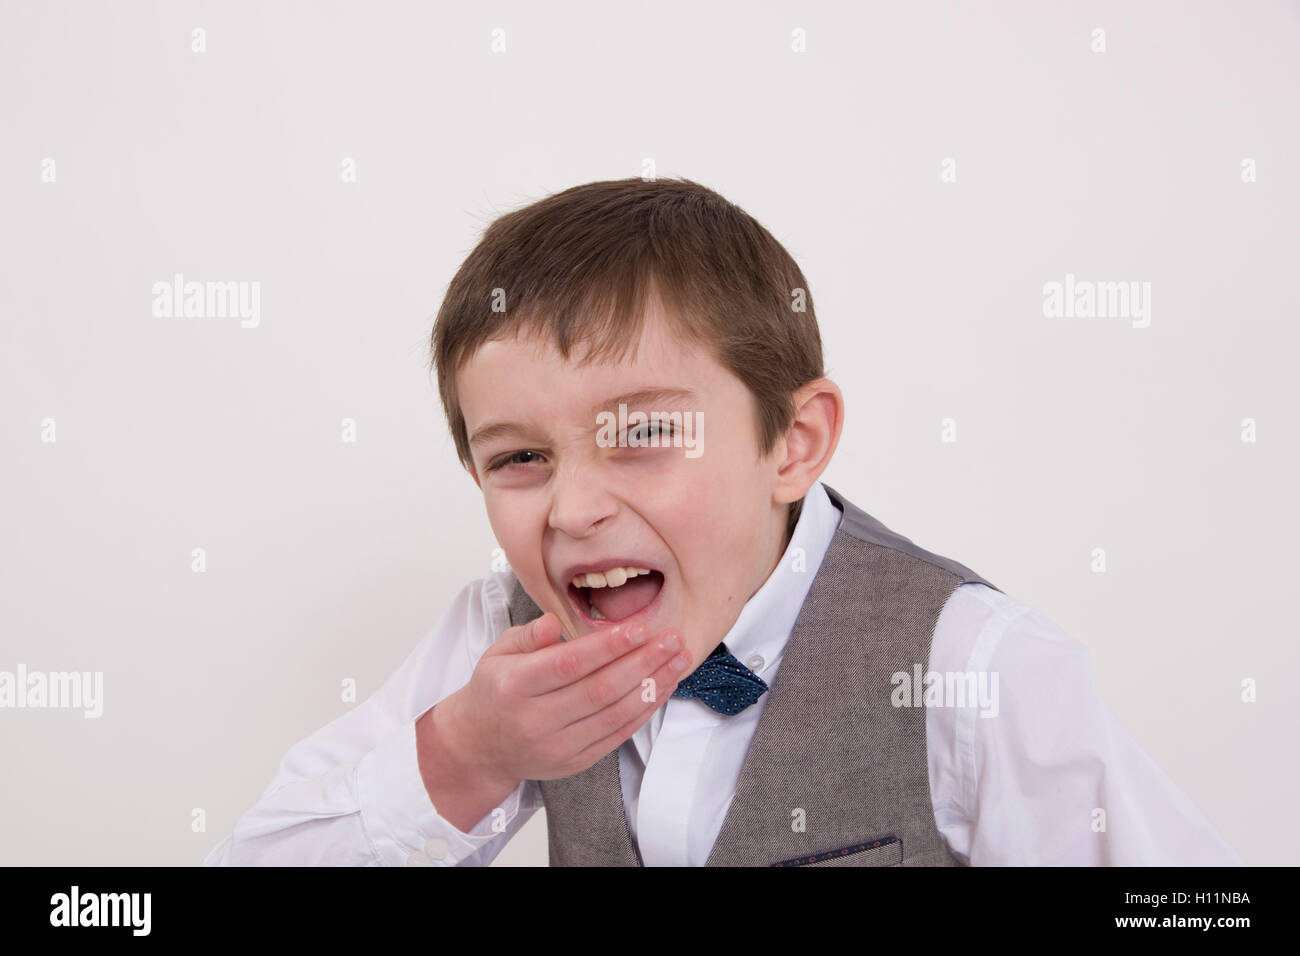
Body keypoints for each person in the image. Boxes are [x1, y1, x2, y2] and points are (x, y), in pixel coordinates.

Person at [203, 178, 1241, 866]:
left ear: (792, 442)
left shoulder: (973, 664)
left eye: (643, 432)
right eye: (519, 458)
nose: (574, 508)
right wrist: (469, 753)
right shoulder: (504, 643)